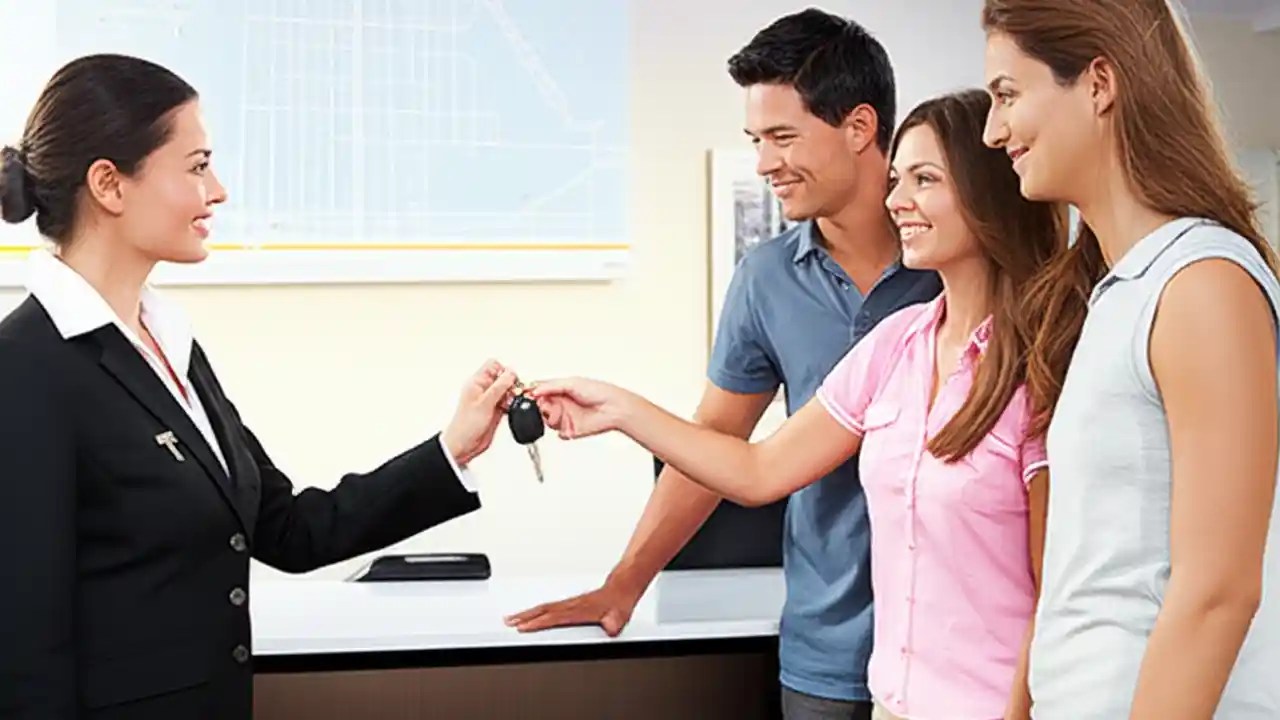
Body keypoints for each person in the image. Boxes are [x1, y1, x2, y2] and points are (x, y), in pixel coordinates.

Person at [0, 54, 520, 719]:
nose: (217, 191)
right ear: (109, 184)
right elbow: (21, 650)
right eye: (196, 166)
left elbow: (286, 528)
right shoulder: (26, 368)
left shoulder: (166, 345)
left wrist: (453, 449)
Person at [522, 88, 1065, 720]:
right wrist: (619, 410)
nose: (897, 202)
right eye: (897, 181)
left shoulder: (1046, 366)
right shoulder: (897, 344)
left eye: (925, 179)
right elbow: (759, 472)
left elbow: (1057, 591)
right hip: (892, 699)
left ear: (989, 191)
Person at [504, 10, 941, 718]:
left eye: (782, 136)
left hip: (952, 650)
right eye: (755, 141)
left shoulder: (960, 260)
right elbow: (715, 444)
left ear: (861, 127)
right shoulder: (766, 279)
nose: (765, 161)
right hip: (826, 653)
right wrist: (625, 584)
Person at [979, 1, 1280, 718]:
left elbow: (1217, 594)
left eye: (1008, 96)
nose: (994, 131)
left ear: (1099, 82)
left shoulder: (1203, 283)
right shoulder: (1120, 291)